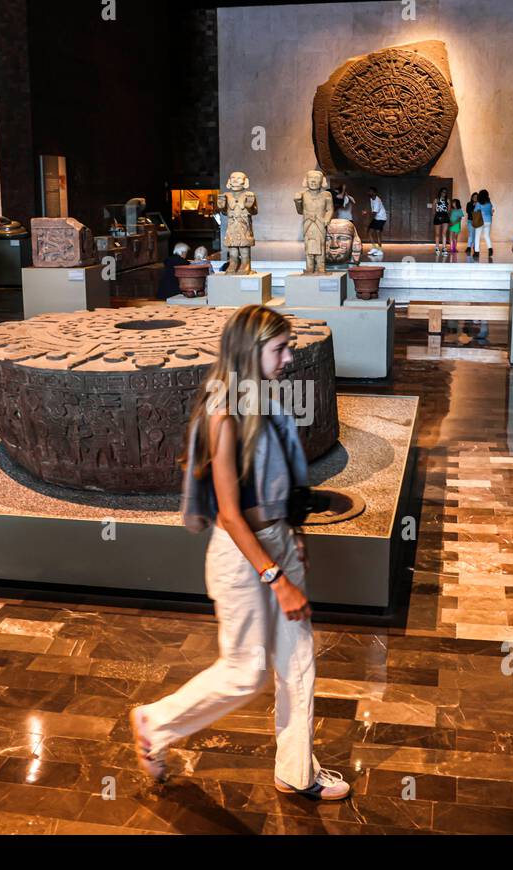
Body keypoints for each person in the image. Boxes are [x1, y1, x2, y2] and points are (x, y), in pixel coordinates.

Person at [128, 304, 351, 802]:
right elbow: (229, 513)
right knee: (246, 672)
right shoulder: (222, 411)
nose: (289, 358)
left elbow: (278, 486)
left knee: (297, 660)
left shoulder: (264, 399)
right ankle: (155, 722)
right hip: (242, 557)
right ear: (251, 351)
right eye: (280, 348)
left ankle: (297, 771)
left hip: (276, 543)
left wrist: (294, 536)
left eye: (289, 346)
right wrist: (279, 578)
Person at [474, 189, 493, 262]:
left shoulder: (479, 203)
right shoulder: (489, 203)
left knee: (477, 236)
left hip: (480, 221)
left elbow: (475, 211)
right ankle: (490, 248)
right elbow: (491, 212)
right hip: (488, 221)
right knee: (486, 236)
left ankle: (476, 252)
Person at [432, 186, 450, 251]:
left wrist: (444, 214)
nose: (444, 193)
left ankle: (444, 247)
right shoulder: (436, 200)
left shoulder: (447, 200)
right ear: (440, 192)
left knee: (444, 233)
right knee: (437, 233)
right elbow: (433, 209)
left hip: (445, 216)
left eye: (445, 192)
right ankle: (437, 247)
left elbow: (448, 210)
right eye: (443, 192)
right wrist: (437, 215)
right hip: (438, 216)